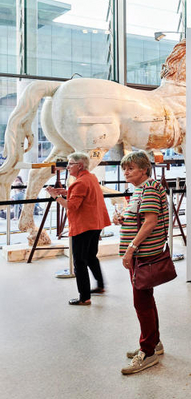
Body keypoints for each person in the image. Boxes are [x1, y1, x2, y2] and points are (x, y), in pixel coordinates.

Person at [114, 151, 169, 375]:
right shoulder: (140, 189)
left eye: (131, 168)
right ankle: (153, 342)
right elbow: (141, 218)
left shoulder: (150, 188)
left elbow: (150, 222)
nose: (126, 173)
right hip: (140, 254)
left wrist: (131, 249)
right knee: (146, 299)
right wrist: (124, 219)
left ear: (144, 169)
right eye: (124, 169)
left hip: (143, 254)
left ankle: (147, 352)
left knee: (141, 302)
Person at [45, 153, 110, 305]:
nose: (67, 167)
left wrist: (55, 196)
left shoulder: (79, 183)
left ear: (79, 166)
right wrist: (65, 192)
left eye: (70, 163)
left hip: (84, 226)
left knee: (79, 261)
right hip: (95, 223)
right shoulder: (91, 177)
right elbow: (83, 195)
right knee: (90, 256)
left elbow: (71, 206)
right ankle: (100, 285)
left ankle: (84, 297)